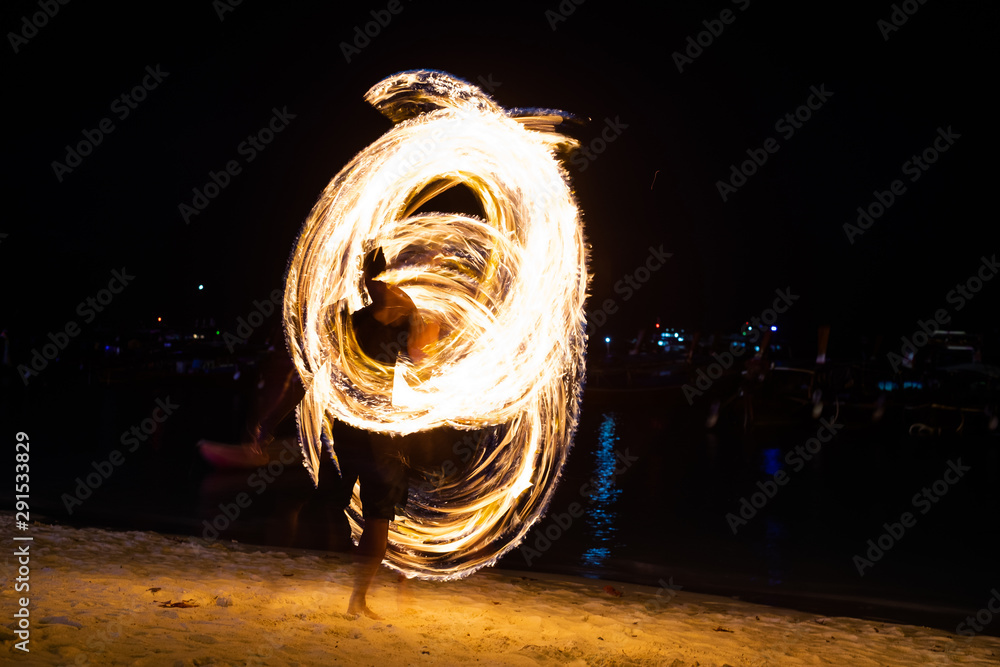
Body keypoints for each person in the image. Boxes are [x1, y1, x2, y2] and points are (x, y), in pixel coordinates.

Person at [199, 246, 439, 619]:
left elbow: (304, 382)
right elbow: (420, 357)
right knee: (375, 513)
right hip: (373, 433)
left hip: (350, 429)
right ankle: (358, 594)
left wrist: (271, 422)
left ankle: (352, 577)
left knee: (344, 504)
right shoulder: (395, 311)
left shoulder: (357, 320)